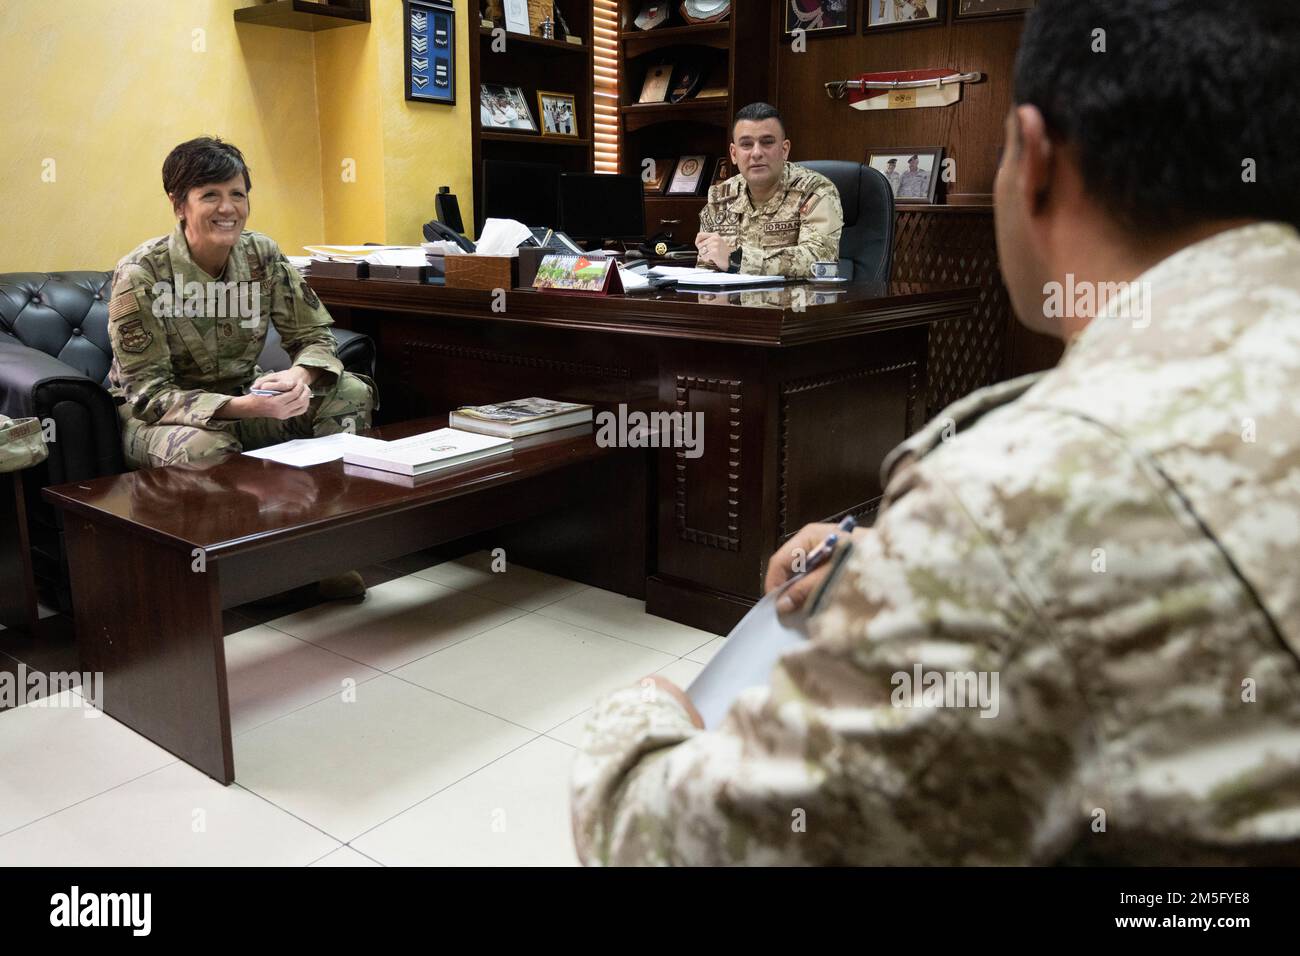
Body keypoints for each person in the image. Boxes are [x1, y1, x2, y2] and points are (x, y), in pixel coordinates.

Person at [572, 0, 1300, 865]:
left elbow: (668, 843)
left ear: (1032, 161)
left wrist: (644, 715)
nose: (754, 155)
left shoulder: (1011, 494)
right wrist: (904, 559)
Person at [107, 136, 377, 600]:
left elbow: (314, 337)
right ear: (178, 204)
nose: (227, 207)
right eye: (210, 195)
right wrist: (243, 406)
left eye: (237, 194)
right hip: (160, 417)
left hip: (249, 401)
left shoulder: (263, 256)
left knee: (351, 392)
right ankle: (233, 576)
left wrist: (299, 376)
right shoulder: (142, 274)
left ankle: (327, 552)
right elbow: (148, 394)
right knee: (203, 444)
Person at [694, 102, 843, 278]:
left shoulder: (815, 191)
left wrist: (737, 260)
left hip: (795, 304)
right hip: (731, 303)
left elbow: (820, 260)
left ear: (784, 149)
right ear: (734, 154)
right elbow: (705, 267)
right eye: (746, 144)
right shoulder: (720, 197)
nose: (756, 153)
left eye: (767, 142)